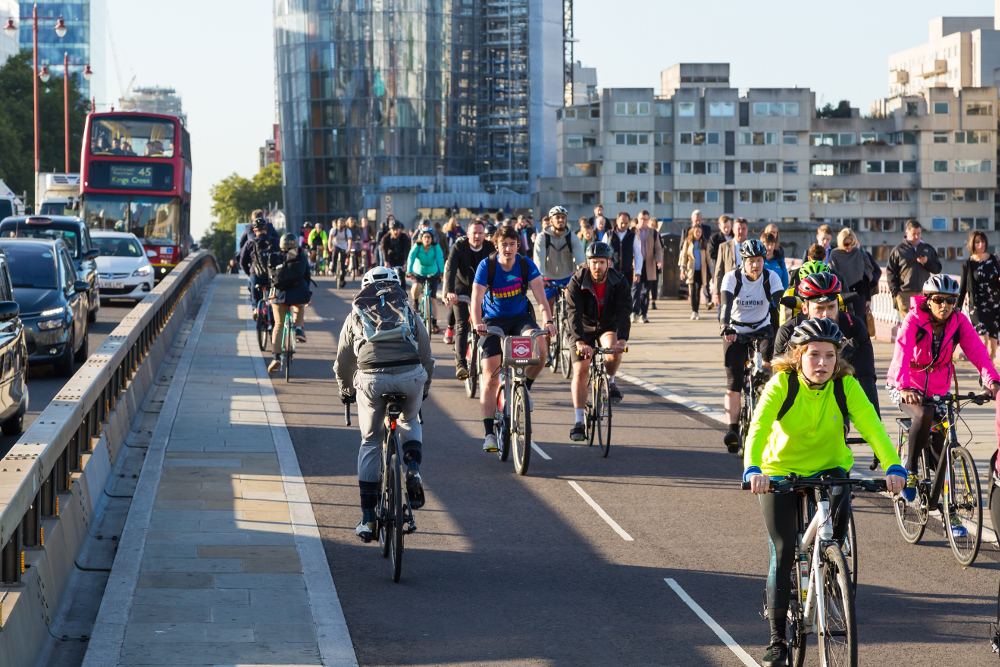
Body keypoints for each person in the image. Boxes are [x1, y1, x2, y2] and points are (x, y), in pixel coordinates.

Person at [744, 318, 906, 666]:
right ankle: (777, 640)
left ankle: (831, 564)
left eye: (829, 356)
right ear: (798, 356)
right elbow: (758, 427)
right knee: (785, 546)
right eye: (814, 355)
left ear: (838, 358)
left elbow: (872, 426)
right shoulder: (781, 385)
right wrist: (753, 468)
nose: (822, 363)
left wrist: (893, 466)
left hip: (830, 466)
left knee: (839, 512)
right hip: (778, 471)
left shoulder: (845, 384)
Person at [334, 267, 434, 541]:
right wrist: (423, 387)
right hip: (409, 375)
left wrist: (345, 390)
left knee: (370, 441)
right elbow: (426, 354)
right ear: (397, 285)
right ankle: (412, 469)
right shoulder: (408, 310)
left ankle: (368, 519)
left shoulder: (355, 312)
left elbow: (343, 362)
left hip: (372, 379)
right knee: (409, 420)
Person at [887, 275, 1000, 507]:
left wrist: (992, 382)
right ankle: (910, 468)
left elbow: (978, 352)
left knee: (942, 452)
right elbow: (902, 354)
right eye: (939, 300)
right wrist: (905, 386)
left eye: (951, 301)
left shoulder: (959, 322)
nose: (945, 306)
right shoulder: (913, 321)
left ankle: (950, 511)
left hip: (939, 389)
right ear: (928, 300)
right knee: (924, 414)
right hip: (906, 384)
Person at [472, 225, 556, 453]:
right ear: (496, 245)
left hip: (520, 317)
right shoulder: (486, 266)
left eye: (512, 244)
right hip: (492, 320)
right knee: (490, 375)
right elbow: (476, 299)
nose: (507, 248)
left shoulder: (526, 265)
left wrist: (548, 321)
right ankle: (489, 433)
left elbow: (541, 298)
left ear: (518, 245)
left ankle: (525, 388)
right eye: (503, 244)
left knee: (540, 348)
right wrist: (477, 323)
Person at [773, 272, 881, 415]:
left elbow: (866, 377)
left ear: (839, 305)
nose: (826, 314)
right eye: (819, 308)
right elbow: (779, 384)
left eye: (831, 307)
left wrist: (875, 427)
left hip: (837, 398)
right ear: (805, 309)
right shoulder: (788, 331)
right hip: (798, 402)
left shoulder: (854, 327)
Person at [719, 239, 784, 452]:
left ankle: (766, 414)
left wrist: (786, 327)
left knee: (767, 369)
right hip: (736, 330)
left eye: (759, 260)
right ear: (743, 261)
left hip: (762, 328)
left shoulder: (770, 277)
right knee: (734, 379)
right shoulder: (732, 278)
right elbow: (726, 305)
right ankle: (733, 429)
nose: (756, 265)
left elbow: (779, 303)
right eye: (751, 261)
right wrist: (725, 326)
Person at [565, 241, 631, 441]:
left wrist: (622, 339)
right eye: (593, 262)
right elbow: (573, 313)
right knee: (581, 369)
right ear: (588, 263)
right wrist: (579, 341)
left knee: (612, 351)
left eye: (601, 262)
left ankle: (610, 382)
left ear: (609, 263)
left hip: (606, 326)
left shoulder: (619, 281)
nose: (597, 267)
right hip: (582, 330)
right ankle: (578, 422)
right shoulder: (577, 281)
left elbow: (624, 311)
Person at [444, 219, 496, 379]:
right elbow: (451, 269)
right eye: (474, 233)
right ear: (468, 234)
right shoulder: (459, 246)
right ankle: (461, 364)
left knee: (491, 323)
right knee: (462, 325)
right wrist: (449, 291)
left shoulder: (489, 247)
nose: (477, 236)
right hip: (462, 289)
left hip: (483, 289)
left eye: (480, 233)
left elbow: (497, 268)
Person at [266, 233, 311, 373]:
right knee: (299, 305)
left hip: (278, 294)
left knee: (278, 325)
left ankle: (276, 357)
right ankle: (298, 328)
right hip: (297, 292)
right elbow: (306, 276)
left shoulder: (274, 257)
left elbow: (271, 278)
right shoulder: (300, 256)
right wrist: (306, 294)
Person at [533, 206, 586, 316]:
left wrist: (582, 273)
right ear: (551, 220)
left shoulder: (573, 238)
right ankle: (548, 330)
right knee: (547, 309)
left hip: (567, 276)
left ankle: (569, 326)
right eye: (557, 218)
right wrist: (541, 278)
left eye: (563, 217)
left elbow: (581, 260)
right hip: (548, 277)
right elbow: (539, 259)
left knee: (572, 303)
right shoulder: (542, 237)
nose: (561, 220)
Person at [958, 230, 1000, 361]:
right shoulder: (968, 265)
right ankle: (984, 373)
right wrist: (956, 310)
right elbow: (963, 288)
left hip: (994, 306)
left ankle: (988, 373)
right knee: (983, 341)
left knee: (993, 348)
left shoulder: (993, 260)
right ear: (972, 244)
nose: (981, 245)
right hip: (977, 307)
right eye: (977, 242)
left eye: (983, 242)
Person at [886, 219, 941, 317]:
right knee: (908, 324)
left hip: (924, 292)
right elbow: (890, 272)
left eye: (919, 233)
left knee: (924, 322)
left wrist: (927, 262)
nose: (916, 237)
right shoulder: (898, 250)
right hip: (905, 293)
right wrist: (896, 293)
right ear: (907, 233)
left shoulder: (928, 248)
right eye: (913, 234)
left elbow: (937, 269)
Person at [603, 212, 643, 322]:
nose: (624, 225)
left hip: (627, 272)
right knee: (611, 295)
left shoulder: (632, 236)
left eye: (626, 223)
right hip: (611, 271)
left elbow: (638, 255)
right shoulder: (608, 235)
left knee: (625, 296)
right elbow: (602, 254)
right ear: (617, 221)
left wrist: (638, 272)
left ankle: (624, 317)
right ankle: (611, 318)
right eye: (622, 223)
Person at [828, 228, 875, 320]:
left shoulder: (860, 253)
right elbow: (832, 274)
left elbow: (866, 277)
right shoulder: (834, 254)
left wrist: (868, 298)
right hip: (841, 294)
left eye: (852, 244)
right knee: (843, 321)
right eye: (846, 244)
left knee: (859, 322)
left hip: (859, 294)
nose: (849, 247)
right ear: (841, 242)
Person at [407, 228, 445, 333]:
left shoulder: (435, 246)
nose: (427, 239)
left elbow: (440, 258)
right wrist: (409, 271)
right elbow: (411, 257)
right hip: (418, 273)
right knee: (416, 287)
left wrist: (442, 272)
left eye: (429, 237)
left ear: (432, 238)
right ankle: (415, 303)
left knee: (433, 299)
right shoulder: (417, 246)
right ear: (421, 238)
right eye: (425, 237)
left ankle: (434, 323)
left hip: (433, 273)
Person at [239, 218, 279, 310]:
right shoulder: (275, 241)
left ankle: (256, 309)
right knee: (274, 300)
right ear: (266, 229)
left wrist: (249, 273)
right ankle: (273, 315)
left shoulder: (250, 243)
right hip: (272, 277)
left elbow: (242, 262)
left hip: (256, 276)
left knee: (255, 297)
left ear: (254, 231)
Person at [631, 211, 663, 324]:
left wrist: (659, 260)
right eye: (641, 219)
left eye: (645, 219)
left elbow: (658, 248)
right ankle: (634, 312)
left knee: (645, 291)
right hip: (635, 265)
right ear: (638, 219)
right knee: (635, 289)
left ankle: (643, 314)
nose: (643, 221)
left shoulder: (653, 233)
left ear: (648, 220)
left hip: (649, 265)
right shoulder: (632, 231)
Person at [712, 217, 748, 308]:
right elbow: (719, 270)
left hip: (747, 287)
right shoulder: (724, 247)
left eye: (743, 229)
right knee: (724, 314)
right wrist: (716, 292)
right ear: (733, 230)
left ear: (747, 230)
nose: (740, 231)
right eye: (738, 229)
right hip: (729, 286)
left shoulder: (752, 246)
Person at [680, 226, 708, 320]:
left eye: (700, 232)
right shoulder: (688, 242)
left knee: (697, 291)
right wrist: (682, 270)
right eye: (696, 232)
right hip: (691, 271)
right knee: (692, 291)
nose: (698, 234)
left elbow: (708, 257)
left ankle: (696, 311)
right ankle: (693, 311)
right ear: (692, 232)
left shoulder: (704, 243)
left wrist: (712, 269)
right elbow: (683, 256)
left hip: (701, 271)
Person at [380, 221, 412, 288]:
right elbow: (384, 249)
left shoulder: (404, 237)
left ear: (400, 229)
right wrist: (386, 262)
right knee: (389, 278)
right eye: (393, 230)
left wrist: (405, 263)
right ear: (390, 230)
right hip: (391, 258)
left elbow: (407, 250)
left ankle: (403, 295)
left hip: (401, 258)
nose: (395, 232)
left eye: (397, 229)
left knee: (402, 278)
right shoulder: (386, 238)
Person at [328, 218, 354, 287]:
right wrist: (330, 248)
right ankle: (333, 268)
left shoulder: (347, 231)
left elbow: (349, 240)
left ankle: (342, 280)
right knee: (334, 257)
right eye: (338, 223)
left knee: (343, 264)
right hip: (335, 245)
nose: (339, 224)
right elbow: (330, 240)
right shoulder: (334, 230)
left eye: (341, 223)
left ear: (344, 224)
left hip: (344, 247)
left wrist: (348, 249)